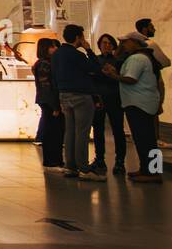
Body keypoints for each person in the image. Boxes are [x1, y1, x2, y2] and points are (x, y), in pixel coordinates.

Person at [109, 33, 163, 183]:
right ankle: (149, 169)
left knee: (145, 139)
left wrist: (114, 76)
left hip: (139, 103)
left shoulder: (137, 59)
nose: (123, 45)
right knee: (147, 138)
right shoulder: (143, 57)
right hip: (143, 102)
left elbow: (131, 79)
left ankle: (153, 172)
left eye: (126, 42)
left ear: (135, 42)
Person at [52, 24, 102, 179]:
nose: (84, 39)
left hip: (64, 95)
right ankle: (83, 168)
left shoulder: (57, 54)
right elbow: (95, 68)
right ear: (77, 38)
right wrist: (88, 50)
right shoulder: (77, 55)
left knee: (70, 131)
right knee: (82, 132)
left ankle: (70, 166)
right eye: (82, 36)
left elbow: (53, 77)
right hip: (81, 96)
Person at [91, 33, 127, 175]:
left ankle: (120, 162)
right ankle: (100, 159)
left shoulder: (118, 60)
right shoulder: (96, 60)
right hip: (99, 99)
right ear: (99, 45)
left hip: (115, 98)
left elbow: (120, 78)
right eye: (103, 43)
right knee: (98, 130)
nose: (106, 45)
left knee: (118, 130)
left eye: (109, 43)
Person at [34, 38, 64, 170]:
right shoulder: (44, 64)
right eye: (52, 47)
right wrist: (55, 105)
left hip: (48, 100)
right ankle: (52, 160)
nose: (55, 49)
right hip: (49, 101)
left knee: (53, 130)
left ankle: (55, 159)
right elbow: (46, 86)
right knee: (52, 131)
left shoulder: (44, 63)